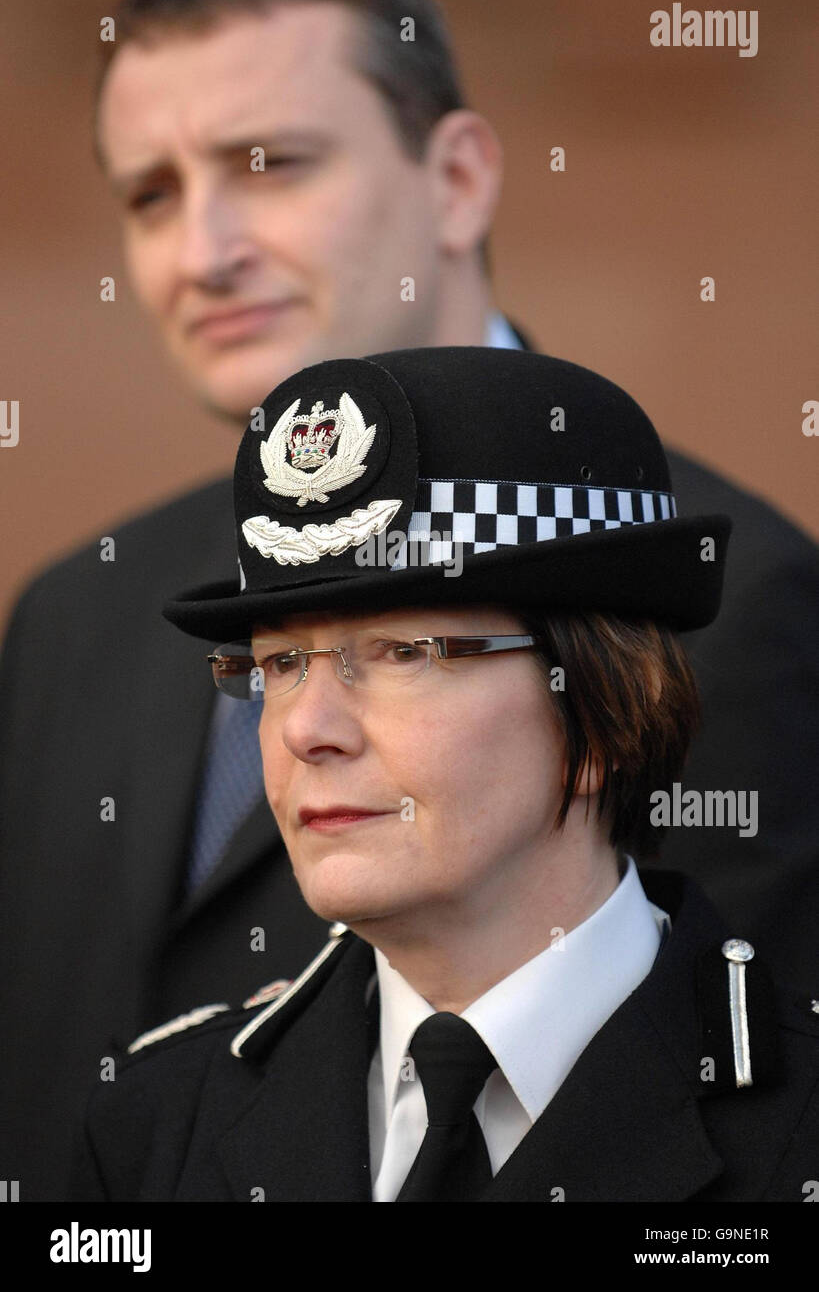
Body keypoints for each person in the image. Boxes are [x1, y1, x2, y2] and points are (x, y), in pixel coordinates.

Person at [1, 0, 817, 1202]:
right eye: (150, 193)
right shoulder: (73, 610)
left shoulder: (730, 592)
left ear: (458, 177)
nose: (200, 247)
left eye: (267, 163)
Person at [71, 345, 818, 1203]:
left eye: (401, 653)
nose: (306, 730)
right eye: (278, 666)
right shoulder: (153, 1129)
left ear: (612, 702)